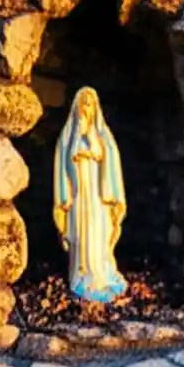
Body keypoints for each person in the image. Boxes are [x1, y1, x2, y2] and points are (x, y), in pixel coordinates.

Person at [53, 87, 127, 303]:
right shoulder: (68, 137)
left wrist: (90, 135)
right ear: (76, 107)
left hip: (97, 196)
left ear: (96, 108)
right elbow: (63, 166)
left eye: (90, 104)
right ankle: (82, 276)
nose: (86, 108)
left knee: (98, 233)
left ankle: (101, 274)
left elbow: (107, 158)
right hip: (78, 197)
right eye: (83, 104)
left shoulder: (102, 135)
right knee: (80, 235)